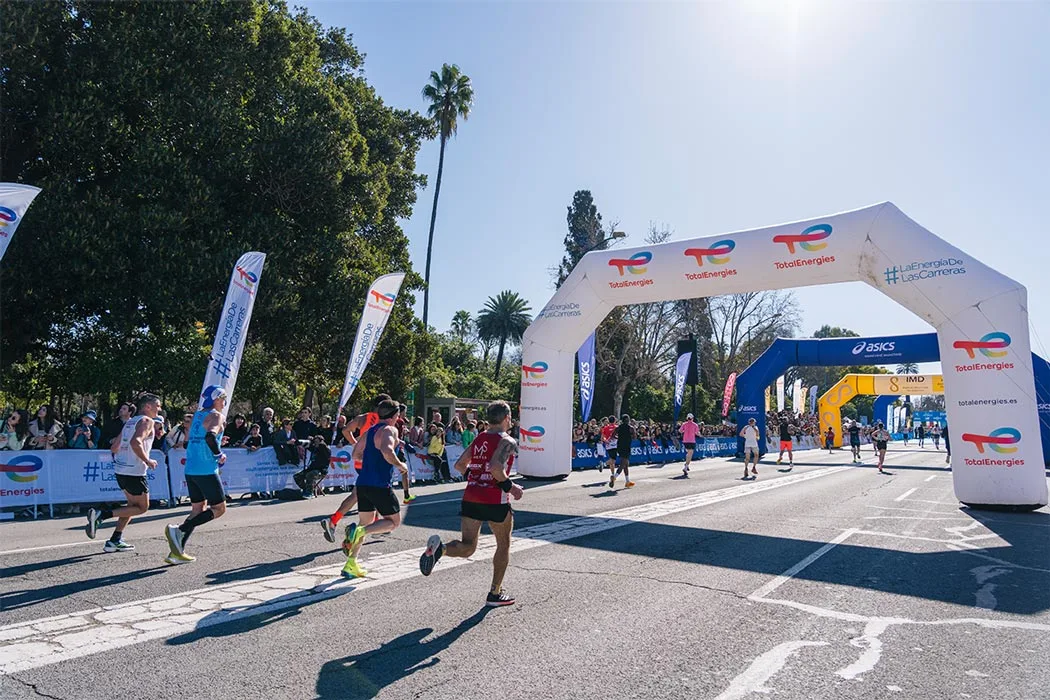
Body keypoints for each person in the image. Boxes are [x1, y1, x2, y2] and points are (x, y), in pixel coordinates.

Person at [419, 400, 523, 607]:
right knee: (503, 545)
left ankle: (441, 550)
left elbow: (460, 465)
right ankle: (495, 593)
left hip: (472, 496)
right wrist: (511, 487)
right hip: (495, 499)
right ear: (506, 418)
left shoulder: (479, 438)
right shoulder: (507, 441)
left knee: (468, 547)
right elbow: (495, 467)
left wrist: (475, 478)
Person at [339, 399, 408, 579]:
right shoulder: (390, 430)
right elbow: (387, 450)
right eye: (398, 415)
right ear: (394, 415)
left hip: (363, 483)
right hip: (380, 485)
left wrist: (371, 460)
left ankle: (350, 564)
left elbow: (356, 454)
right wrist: (400, 465)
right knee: (393, 522)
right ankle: (360, 532)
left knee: (364, 523)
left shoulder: (370, 431)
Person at [87, 394, 161, 552]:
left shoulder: (130, 422)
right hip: (134, 471)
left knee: (131, 506)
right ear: (148, 406)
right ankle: (102, 515)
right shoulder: (147, 421)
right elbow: (136, 442)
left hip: (121, 469)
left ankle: (115, 539)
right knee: (142, 508)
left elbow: (114, 447)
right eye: (158, 406)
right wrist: (147, 460)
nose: (159, 409)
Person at [164, 385, 229, 565]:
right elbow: (209, 437)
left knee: (197, 510)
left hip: (191, 468)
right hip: (206, 468)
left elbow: (187, 443)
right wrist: (219, 454)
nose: (224, 402)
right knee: (219, 509)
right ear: (217, 399)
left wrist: (218, 441)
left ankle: (176, 553)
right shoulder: (216, 416)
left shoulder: (197, 416)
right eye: (223, 398)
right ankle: (179, 530)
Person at [320, 394, 394, 544]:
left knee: (366, 493)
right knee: (362, 493)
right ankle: (334, 521)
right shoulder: (384, 423)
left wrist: (356, 444)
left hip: (361, 461)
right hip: (372, 463)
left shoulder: (363, 418)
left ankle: (375, 524)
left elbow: (346, 430)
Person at [610, 414, 636, 489]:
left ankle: (627, 481)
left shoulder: (618, 428)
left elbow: (613, 435)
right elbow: (634, 437)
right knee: (622, 464)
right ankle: (614, 477)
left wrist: (618, 437)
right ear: (628, 420)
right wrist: (629, 437)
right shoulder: (631, 428)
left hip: (620, 446)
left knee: (626, 464)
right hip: (626, 447)